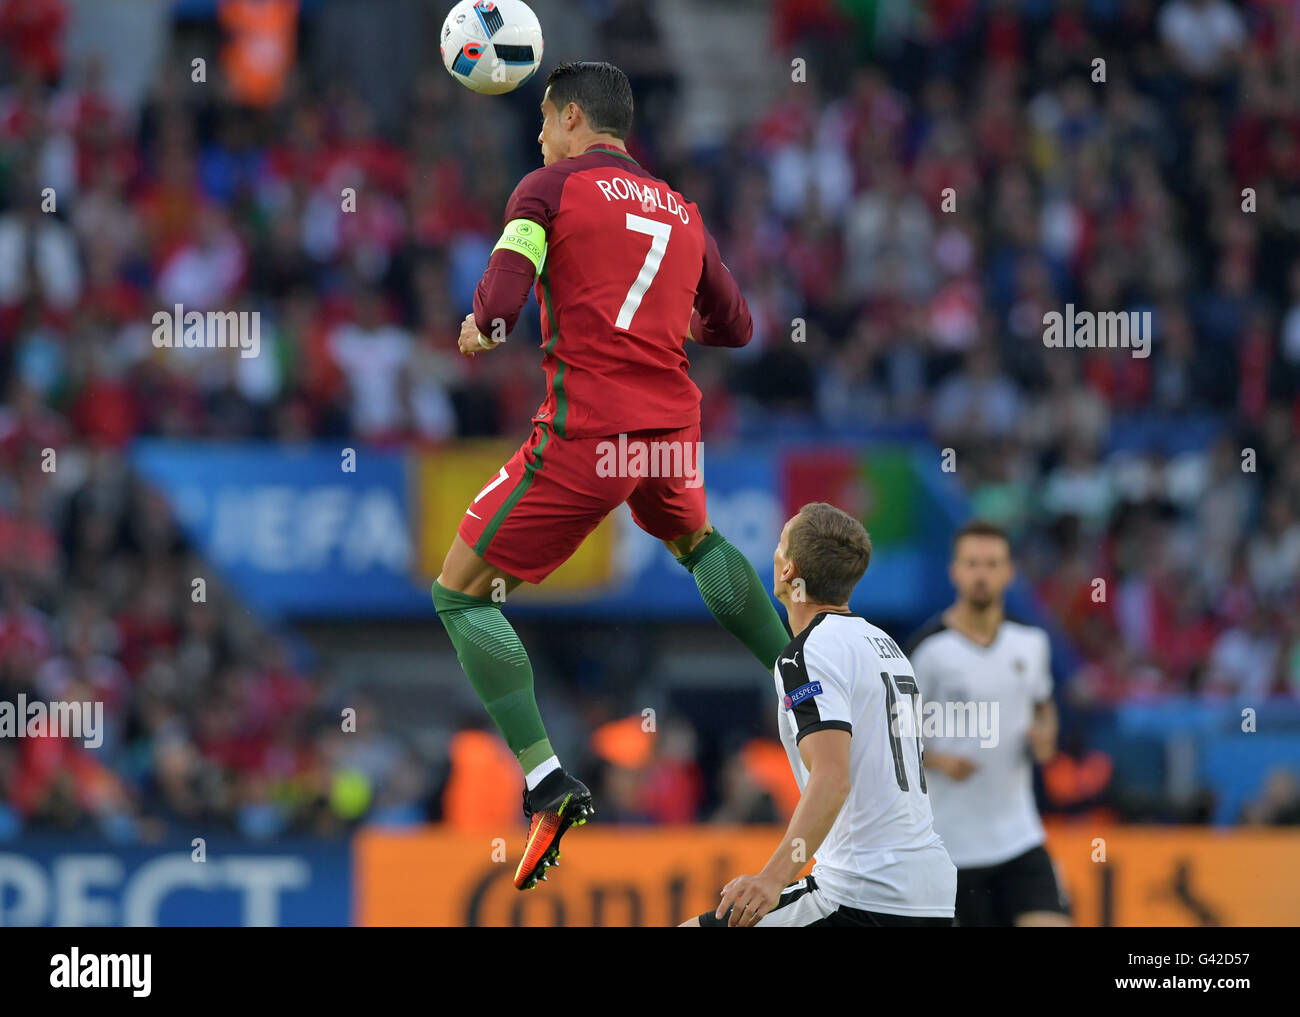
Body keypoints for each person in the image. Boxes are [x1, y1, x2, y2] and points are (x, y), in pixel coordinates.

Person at [431, 62, 791, 891]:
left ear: (564, 115)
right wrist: (666, 309)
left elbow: (502, 296)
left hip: (586, 432)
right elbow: (736, 324)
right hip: (669, 427)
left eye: (543, 121)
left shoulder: (546, 188)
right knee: (697, 543)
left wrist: (483, 327)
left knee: (460, 591)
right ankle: (795, 676)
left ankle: (546, 780)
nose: (537, 136)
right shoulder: (683, 210)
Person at [684, 502, 956, 927]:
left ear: (789, 570)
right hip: (928, 892)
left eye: (779, 543)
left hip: (862, 892)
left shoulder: (808, 653)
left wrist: (772, 878)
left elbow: (832, 778)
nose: (773, 553)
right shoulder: (886, 645)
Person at [905, 520, 1071, 926]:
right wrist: (939, 760)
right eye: (972, 564)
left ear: (1009, 571)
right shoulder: (928, 649)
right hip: (950, 846)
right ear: (955, 571)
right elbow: (895, 736)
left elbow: (1042, 704)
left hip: (1019, 836)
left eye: (992, 564)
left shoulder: (1031, 642)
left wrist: (1045, 734)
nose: (982, 574)